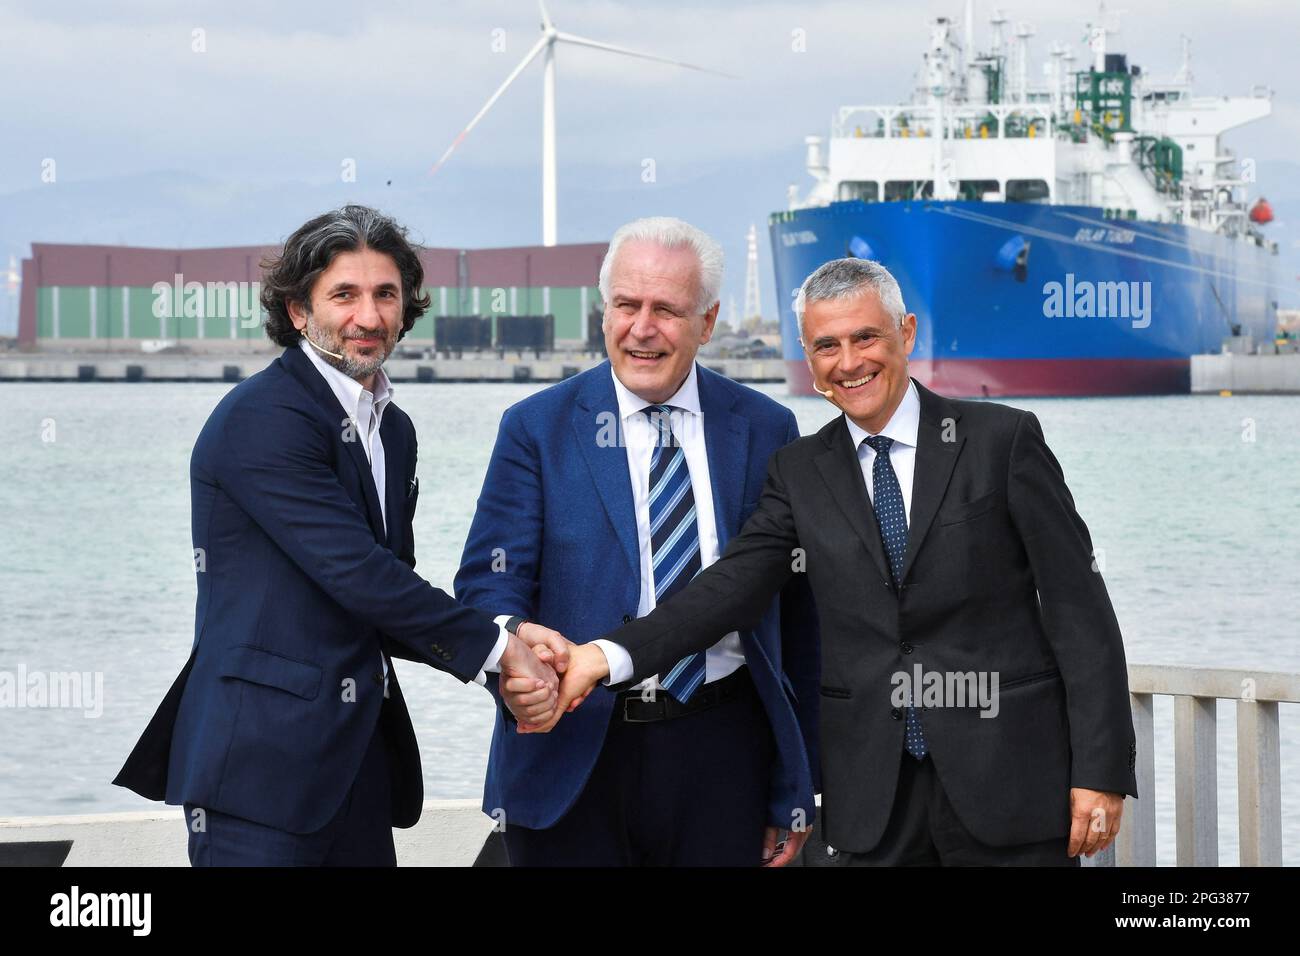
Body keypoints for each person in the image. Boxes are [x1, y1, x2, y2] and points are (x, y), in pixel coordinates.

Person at [553, 257, 1139, 866]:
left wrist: (1100, 772)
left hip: (1011, 787)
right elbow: (729, 588)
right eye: (826, 345)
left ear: (906, 334)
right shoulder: (798, 471)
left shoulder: (1003, 440)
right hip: (871, 808)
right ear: (810, 360)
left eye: (866, 337)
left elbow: (1080, 608)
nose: (849, 362)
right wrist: (604, 656)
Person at [112, 205, 565, 866]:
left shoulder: (396, 430)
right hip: (257, 776)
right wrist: (497, 655)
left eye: (387, 294)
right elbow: (357, 573)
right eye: (344, 294)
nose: (370, 316)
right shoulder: (264, 418)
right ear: (299, 310)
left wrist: (511, 640)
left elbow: (387, 599)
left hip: (355, 770)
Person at [455, 217, 820, 866]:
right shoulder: (535, 428)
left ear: (707, 324)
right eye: (626, 305)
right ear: (605, 311)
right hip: (572, 749)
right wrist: (515, 646)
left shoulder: (766, 427)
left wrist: (796, 785)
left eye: (666, 310)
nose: (642, 328)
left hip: (726, 753)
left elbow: (798, 618)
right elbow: (488, 582)